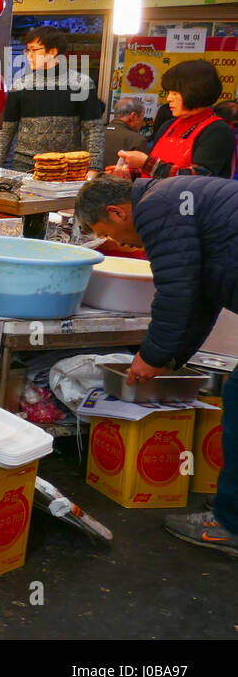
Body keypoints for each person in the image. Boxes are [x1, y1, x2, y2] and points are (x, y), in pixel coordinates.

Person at [74, 174, 238, 556]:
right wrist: (171, 357)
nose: (119, 243)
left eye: (108, 232)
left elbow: (176, 293)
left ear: (118, 211)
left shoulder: (156, 207)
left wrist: (150, 355)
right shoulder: (170, 198)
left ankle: (228, 525)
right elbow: (199, 298)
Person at [0, 26, 103, 173]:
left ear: (53, 52)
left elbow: (94, 129)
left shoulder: (81, 83)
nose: (29, 55)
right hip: (25, 166)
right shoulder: (20, 85)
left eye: (34, 50)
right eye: (27, 50)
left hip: (66, 167)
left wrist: (94, 167)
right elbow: (5, 131)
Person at [115, 61, 236, 179]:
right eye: (168, 93)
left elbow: (198, 177)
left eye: (174, 93)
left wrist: (147, 164)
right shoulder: (169, 125)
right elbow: (155, 172)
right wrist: (130, 173)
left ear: (195, 92)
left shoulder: (217, 130)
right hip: (155, 196)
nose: (168, 99)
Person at [102, 97, 150, 168]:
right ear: (133, 116)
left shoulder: (94, 135)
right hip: (118, 178)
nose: (142, 122)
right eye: (142, 117)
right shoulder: (137, 140)